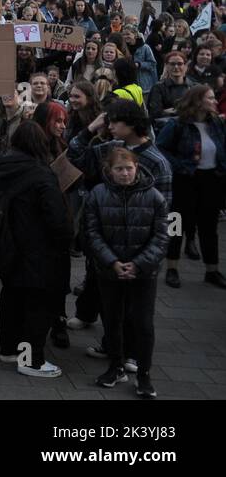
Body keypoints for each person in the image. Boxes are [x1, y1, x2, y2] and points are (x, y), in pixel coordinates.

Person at [0, 122, 72, 378]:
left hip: (8, 247)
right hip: (39, 251)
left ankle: (9, 348)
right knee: (37, 306)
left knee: (11, 298)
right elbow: (57, 219)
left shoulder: (1, 169)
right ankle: (30, 359)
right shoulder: (42, 175)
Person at [82, 147, 168, 398]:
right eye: (119, 169)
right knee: (112, 320)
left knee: (143, 323)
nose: (125, 173)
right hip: (110, 271)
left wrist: (139, 264)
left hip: (143, 273)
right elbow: (91, 232)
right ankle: (115, 365)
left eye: (129, 168)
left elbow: (162, 237)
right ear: (109, 171)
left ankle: (144, 374)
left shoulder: (154, 197)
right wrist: (112, 262)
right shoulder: (97, 195)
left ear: (137, 168)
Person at [156, 85, 226, 290]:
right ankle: (172, 268)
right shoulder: (178, 125)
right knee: (176, 224)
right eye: (210, 98)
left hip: (211, 179)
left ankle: (212, 270)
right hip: (184, 179)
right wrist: (178, 166)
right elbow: (161, 147)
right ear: (197, 101)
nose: (214, 101)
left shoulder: (216, 124)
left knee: (209, 226)